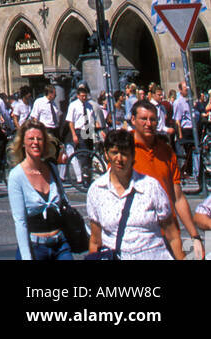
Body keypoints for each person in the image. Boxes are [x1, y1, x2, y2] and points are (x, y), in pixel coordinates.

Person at [86, 128, 184, 260]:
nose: (119, 159)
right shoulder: (96, 190)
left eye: (124, 153)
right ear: (106, 154)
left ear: (133, 155)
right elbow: (95, 241)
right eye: (114, 152)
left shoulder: (151, 186)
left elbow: (172, 235)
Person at [130, 98, 204, 260]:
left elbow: (177, 196)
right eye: (144, 119)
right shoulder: (124, 150)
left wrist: (194, 236)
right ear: (133, 120)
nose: (149, 123)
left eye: (153, 119)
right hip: (139, 238)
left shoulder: (166, 151)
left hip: (169, 234)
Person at [7, 119, 72, 261]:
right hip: (35, 248)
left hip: (60, 245)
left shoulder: (52, 169)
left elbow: (66, 206)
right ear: (23, 143)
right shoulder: (16, 176)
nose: (35, 142)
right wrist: (26, 257)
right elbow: (20, 222)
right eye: (31, 138)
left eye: (39, 139)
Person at [66, 83, 105, 185]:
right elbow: (71, 121)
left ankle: (89, 175)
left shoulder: (89, 105)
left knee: (89, 153)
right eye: (82, 96)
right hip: (80, 130)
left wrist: (98, 130)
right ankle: (85, 177)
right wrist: (74, 135)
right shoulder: (73, 105)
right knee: (83, 154)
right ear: (78, 96)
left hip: (89, 130)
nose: (84, 98)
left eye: (85, 96)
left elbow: (93, 119)